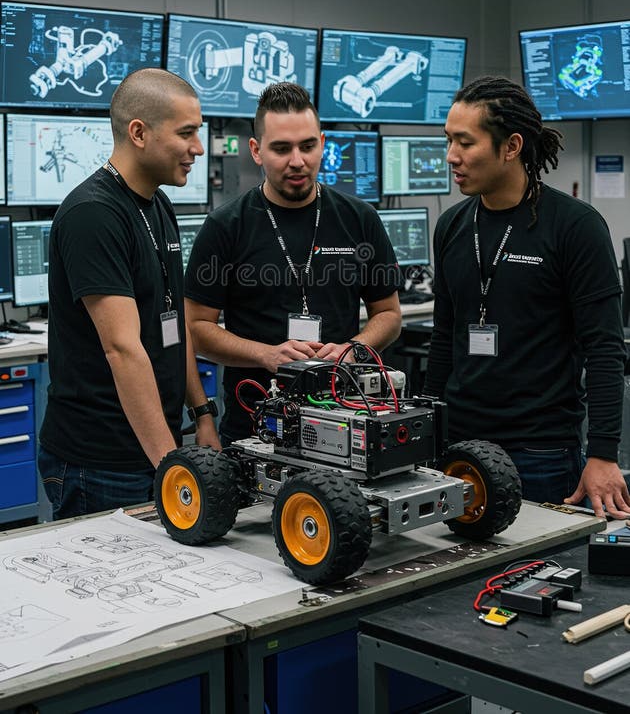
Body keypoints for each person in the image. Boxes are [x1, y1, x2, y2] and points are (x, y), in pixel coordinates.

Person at [423, 75, 630, 518]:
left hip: (540, 454)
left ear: (511, 146)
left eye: (465, 142)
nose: (451, 157)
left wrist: (604, 453)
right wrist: (426, 427)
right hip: (459, 448)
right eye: (448, 141)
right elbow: (444, 338)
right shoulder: (452, 226)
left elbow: (605, 349)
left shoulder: (574, 226)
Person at [39, 68, 221, 520]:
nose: (197, 148)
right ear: (139, 132)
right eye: (186, 133)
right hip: (100, 462)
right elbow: (123, 349)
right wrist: (171, 468)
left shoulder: (158, 203)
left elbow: (171, 321)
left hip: (155, 444)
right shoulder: (92, 215)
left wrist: (201, 414)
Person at [185, 82, 402, 445]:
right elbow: (195, 328)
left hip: (343, 420)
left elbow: (389, 315)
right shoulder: (227, 226)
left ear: (322, 142)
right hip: (255, 426)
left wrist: (353, 347)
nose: (297, 161)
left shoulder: (359, 219)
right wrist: (265, 354)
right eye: (281, 149)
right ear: (256, 151)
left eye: (307, 146)